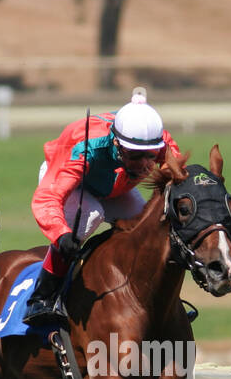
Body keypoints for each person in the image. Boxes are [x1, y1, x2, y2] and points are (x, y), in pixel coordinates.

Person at [23, 87, 180, 325]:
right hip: (69, 181)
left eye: (151, 155)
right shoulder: (86, 146)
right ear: (116, 143)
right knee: (91, 215)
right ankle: (42, 297)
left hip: (115, 185)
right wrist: (60, 233)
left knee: (150, 225)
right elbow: (48, 197)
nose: (146, 165)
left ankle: (160, 303)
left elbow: (176, 171)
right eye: (135, 156)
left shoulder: (156, 140)